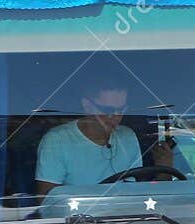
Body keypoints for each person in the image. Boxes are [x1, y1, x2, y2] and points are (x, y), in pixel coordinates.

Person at [34, 76, 175, 196]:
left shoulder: (128, 136)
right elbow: (47, 202)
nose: (117, 116)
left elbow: (133, 194)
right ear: (87, 106)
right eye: (108, 110)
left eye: (122, 109)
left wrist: (165, 170)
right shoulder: (57, 140)